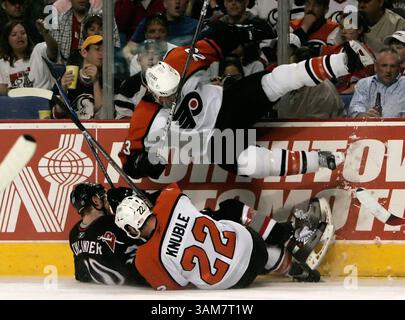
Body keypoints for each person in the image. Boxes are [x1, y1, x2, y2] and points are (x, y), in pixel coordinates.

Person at [119, 22, 374, 181]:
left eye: (176, 89)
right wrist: (153, 159)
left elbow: (216, 42)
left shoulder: (178, 61)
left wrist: (247, 32)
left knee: (276, 79)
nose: (173, 97)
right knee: (248, 164)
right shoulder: (144, 118)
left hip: (228, 103)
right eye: (167, 96)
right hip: (214, 143)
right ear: (152, 93)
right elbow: (130, 164)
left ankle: (345, 62)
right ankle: (318, 160)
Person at [114, 183, 334, 290]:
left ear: (130, 230)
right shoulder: (170, 200)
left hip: (232, 284)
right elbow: (166, 194)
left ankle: (290, 264)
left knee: (224, 247)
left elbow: (178, 288)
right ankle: (286, 237)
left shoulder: (145, 259)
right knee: (230, 210)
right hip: (252, 248)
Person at [69, 182, 146, 285]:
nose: (107, 201)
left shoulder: (74, 233)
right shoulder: (112, 223)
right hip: (142, 281)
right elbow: (148, 239)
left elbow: (81, 276)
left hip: (105, 291)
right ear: (96, 201)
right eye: (103, 197)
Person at [0, 20, 58, 95]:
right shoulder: (2, 64)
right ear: (7, 40)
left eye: (23, 33)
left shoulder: (39, 50)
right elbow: (2, 89)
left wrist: (45, 32)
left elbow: (53, 51)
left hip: (45, 100)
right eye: (14, 35)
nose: (19, 36)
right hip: (18, 104)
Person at [54, 35, 104, 119]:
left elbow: (101, 114)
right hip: (69, 129)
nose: (102, 53)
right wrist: (63, 88)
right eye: (97, 49)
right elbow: (58, 113)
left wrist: (96, 82)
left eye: (104, 50)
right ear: (84, 53)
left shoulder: (109, 79)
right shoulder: (68, 76)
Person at [348, 47, 405, 118]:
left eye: (393, 66)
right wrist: (362, 115)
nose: (388, 70)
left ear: (399, 68)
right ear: (375, 66)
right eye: (384, 66)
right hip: (368, 127)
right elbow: (355, 108)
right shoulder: (364, 84)